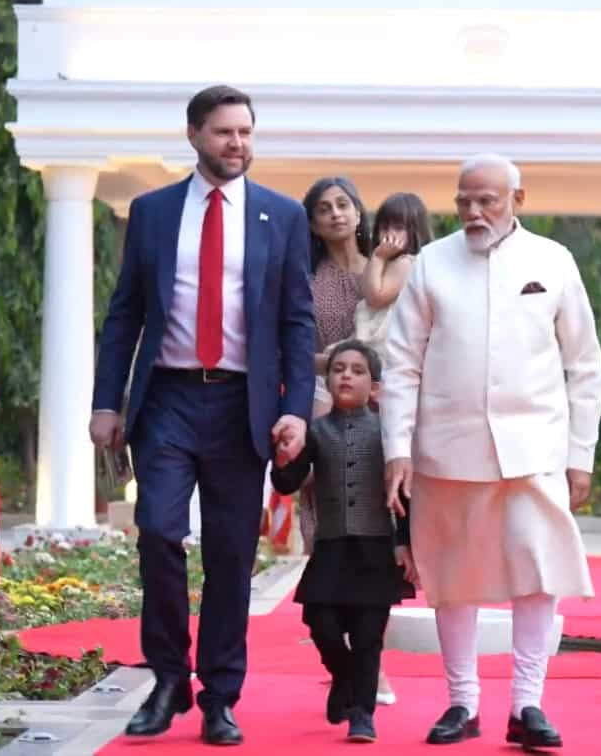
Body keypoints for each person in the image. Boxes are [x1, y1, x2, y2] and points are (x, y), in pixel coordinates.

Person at [89, 85, 315, 746]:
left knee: (228, 554)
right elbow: (124, 313)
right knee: (158, 533)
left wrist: (295, 410)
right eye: (223, 133)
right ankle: (166, 679)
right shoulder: (153, 212)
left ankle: (219, 695)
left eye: (245, 132)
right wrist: (107, 401)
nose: (237, 144)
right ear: (193, 135)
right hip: (167, 400)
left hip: (242, 407)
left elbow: (298, 324)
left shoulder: (281, 216)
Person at [380, 153, 601, 749]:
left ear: (517, 200)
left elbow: (584, 363)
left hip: (534, 449)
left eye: (488, 200)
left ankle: (528, 703)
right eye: (464, 202)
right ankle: (462, 703)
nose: (475, 212)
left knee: (537, 573)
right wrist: (396, 449)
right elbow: (400, 364)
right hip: (446, 451)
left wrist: (581, 452)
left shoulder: (552, 261)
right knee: (453, 580)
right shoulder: (431, 263)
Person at [271, 340, 418, 743]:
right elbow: (286, 482)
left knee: (369, 635)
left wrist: (406, 544)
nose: (346, 375)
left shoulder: (390, 434)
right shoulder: (316, 431)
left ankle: (362, 715)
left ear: (374, 388)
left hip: (376, 547)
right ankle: (344, 676)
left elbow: (406, 494)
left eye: (356, 369)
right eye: (338, 369)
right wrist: (283, 457)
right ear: (328, 381)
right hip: (332, 546)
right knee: (321, 624)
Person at [298, 177, 372, 551]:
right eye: (324, 209)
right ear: (312, 224)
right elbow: (289, 351)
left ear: (358, 212)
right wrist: (329, 364)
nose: (336, 214)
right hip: (324, 399)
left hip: (381, 401)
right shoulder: (304, 280)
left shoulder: (387, 272)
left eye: (343, 204)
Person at [356, 192, 433, 360]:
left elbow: (375, 297)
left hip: (385, 344)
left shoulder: (407, 263)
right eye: (384, 227)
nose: (388, 234)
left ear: (415, 230)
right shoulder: (387, 262)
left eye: (398, 228)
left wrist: (378, 257)